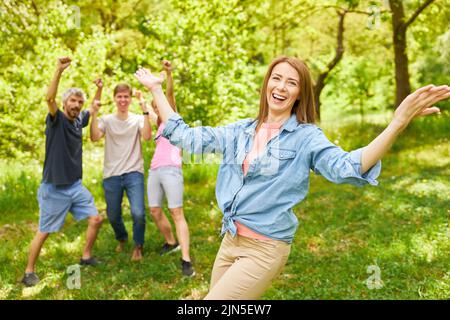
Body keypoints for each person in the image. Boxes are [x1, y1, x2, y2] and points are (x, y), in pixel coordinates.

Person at [134, 56, 450, 299]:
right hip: (230, 242)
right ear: (267, 84)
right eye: (276, 78)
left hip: (265, 249)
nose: (281, 87)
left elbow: (349, 167)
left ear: (300, 94)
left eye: (291, 83)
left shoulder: (306, 138)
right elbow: (187, 137)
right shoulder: (240, 130)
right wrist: (157, 89)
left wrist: (396, 123)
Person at [22, 57, 104, 287]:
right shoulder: (56, 119)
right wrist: (58, 70)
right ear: (65, 102)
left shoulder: (79, 120)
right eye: (72, 101)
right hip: (54, 189)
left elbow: (93, 108)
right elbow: (49, 98)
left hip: (75, 186)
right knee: (44, 231)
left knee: (96, 219)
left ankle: (86, 256)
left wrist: (99, 90)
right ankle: (29, 271)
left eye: (79, 102)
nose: (76, 105)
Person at [135, 60, 195, 277]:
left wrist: (168, 75)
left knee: (176, 212)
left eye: (158, 104)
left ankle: (186, 260)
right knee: (154, 210)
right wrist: (142, 101)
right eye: (155, 105)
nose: (158, 106)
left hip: (171, 169)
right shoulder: (158, 122)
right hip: (154, 170)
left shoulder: (173, 120)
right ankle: (171, 242)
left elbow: (169, 96)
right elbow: (148, 112)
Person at [90, 80, 151, 261]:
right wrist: (94, 114)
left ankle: (138, 245)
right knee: (113, 215)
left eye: (126, 96)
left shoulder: (138, 119)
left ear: (130, 99)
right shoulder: (107, 120)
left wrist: (144, 109)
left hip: (134, 172)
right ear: (115, 98)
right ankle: (122, 237)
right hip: (112, 174)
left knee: (138, 213)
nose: (123, 100)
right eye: (119, 96)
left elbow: (147, 137)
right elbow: (94, 137)